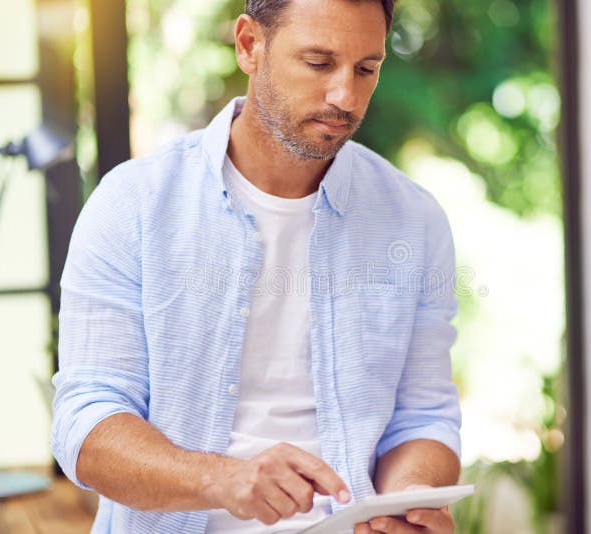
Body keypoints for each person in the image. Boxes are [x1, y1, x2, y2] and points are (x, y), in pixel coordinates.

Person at [51, 0, 462, 532]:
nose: (345, 96)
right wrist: (220, 480)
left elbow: (423, 417)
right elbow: (85, 425)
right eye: (318, 63)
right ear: (249, 45)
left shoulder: (414, 218)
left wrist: (412, 497)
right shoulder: (132, 204)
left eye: (366, 69)